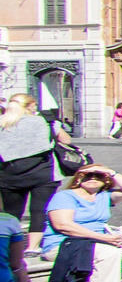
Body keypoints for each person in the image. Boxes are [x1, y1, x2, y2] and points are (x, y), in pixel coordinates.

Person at [0, 94, 73, 258]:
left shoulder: (3, 122)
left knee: (11, 212)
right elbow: (66, 140)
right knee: (39, 210)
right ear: (30, 106)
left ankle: (9, 245)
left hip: (9, 174)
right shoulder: (44, 122)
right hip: (43, 172)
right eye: (34, 105)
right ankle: (32, 247)